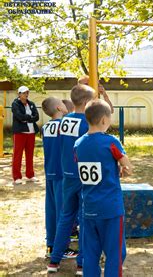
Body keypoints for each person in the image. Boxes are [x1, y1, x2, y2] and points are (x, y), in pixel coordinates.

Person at [74, 99, 133, 277]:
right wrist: (123, 170)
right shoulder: (111, 142)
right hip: (110, 208)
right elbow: (128, 167)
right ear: (104, 121)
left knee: (90, 255)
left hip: (88, 207)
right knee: (116, 254)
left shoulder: (78, 144)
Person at [47, 84, 95, 275]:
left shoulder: (65, 120)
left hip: (67, 175)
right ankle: (82, 263)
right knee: (84, 219)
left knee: (65, 218)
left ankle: (54, 260)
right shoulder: (86, 122)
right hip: (82, 176)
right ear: (85, 102)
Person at [41, 97, 68, 257]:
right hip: (61, 173)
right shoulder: (64, 126)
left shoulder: (45, 127)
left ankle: (51, 245)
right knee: (62, 211)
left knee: (51, 210)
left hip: (49, 172)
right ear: (59, 108)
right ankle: (60, 248)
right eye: (63, 103)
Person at [11, 85, 40, 184]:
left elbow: (36, 117)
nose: (26, 94)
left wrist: (27, 118)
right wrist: (29, 117)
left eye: (27, 92)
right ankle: (16, 177)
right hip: (20, 133)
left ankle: (30, 175)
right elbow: (19, 117)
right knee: (17, 155)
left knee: (30, 154)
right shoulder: (15, 104)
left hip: (31, 133)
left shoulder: (31, 103)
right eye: (24, 92)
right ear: (19, 94)